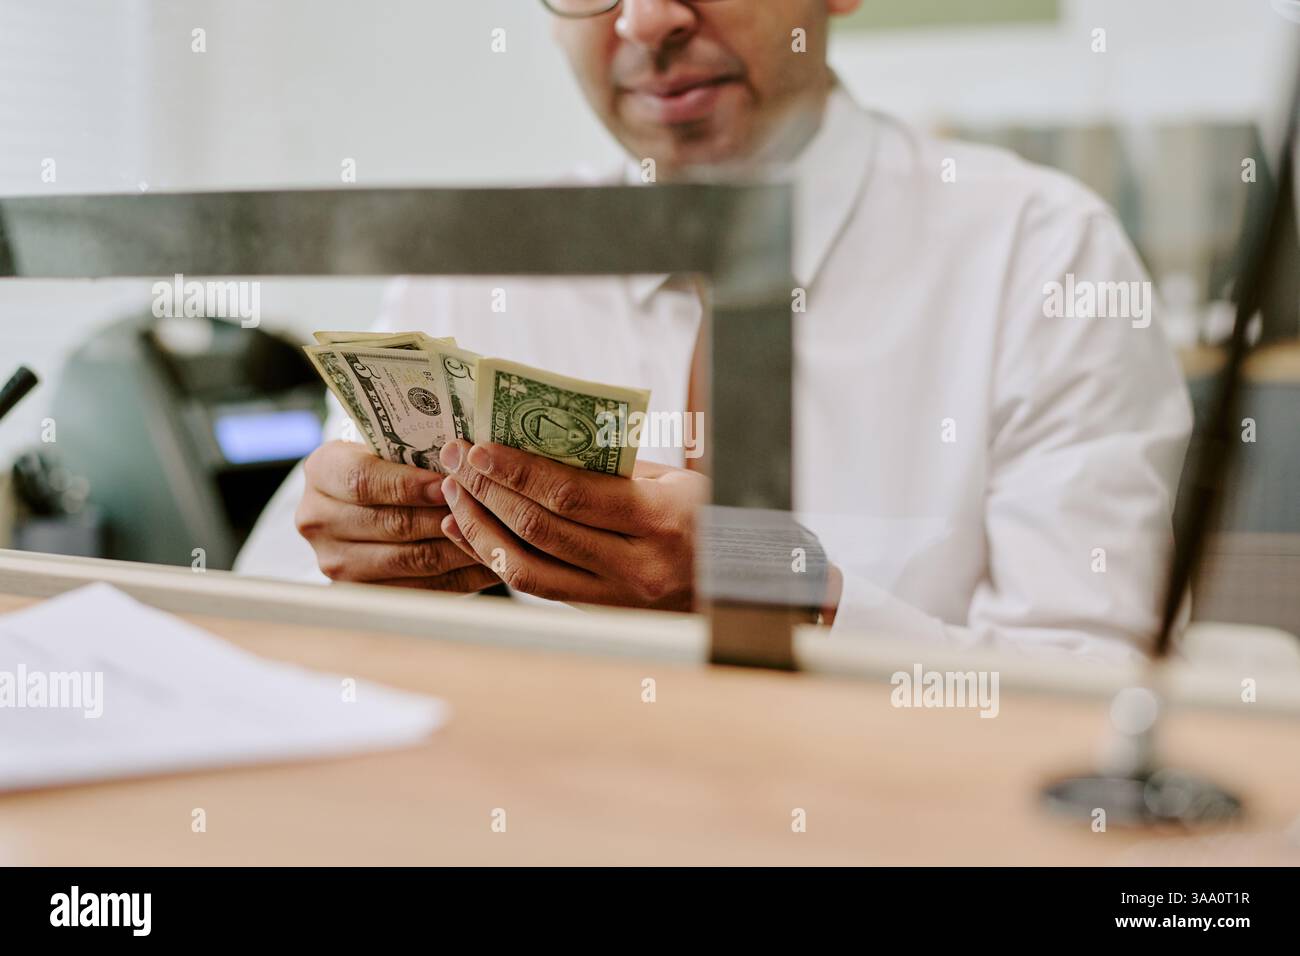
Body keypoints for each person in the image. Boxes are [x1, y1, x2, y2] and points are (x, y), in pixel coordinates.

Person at [237, 0, 1192, 661]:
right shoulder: (482, 263)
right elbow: (267, 616)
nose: (648, 19)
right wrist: (357, 559)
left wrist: (776, 592)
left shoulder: (1043, 255)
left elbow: (1088, 695)